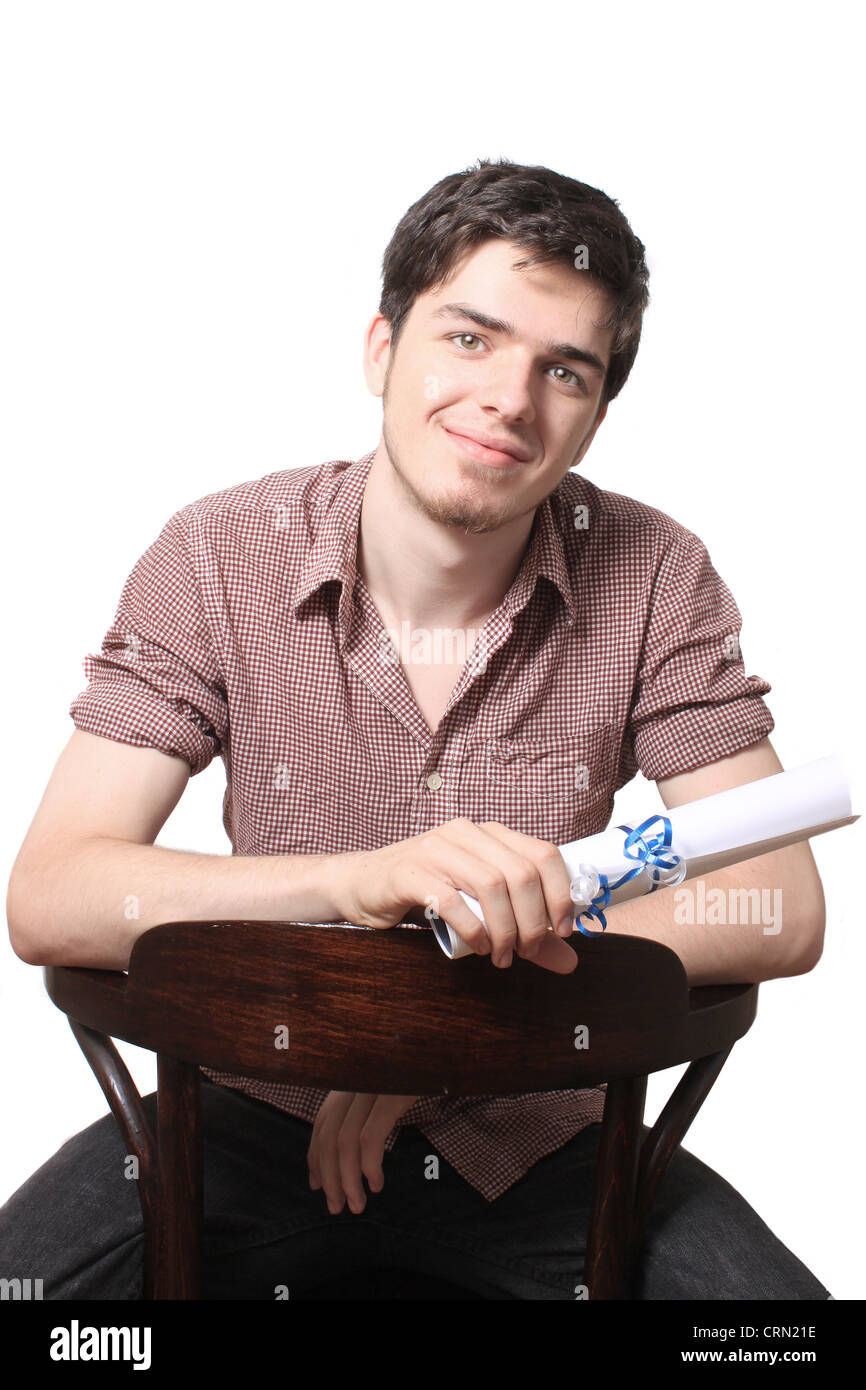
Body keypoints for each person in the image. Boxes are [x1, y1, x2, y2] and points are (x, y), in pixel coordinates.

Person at [2, 158, 833, 1300]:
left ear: (591, 417)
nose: (508, 398)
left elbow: (777, 905)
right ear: (381, 349)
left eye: (563, 370)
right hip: (251, 1105)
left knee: (773, 1326)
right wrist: (356, 887)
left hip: (545, 1129)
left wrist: (444, 1024)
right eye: (468, 339)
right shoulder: (215, 553)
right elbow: (54, 894)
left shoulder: (654, 573)